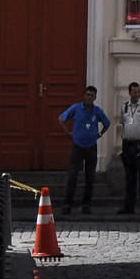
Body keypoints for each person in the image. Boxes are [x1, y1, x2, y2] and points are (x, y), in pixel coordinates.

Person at [59, 85, 111, 216]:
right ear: (84, 96)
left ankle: (86, 204)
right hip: (78, 146)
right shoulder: (76, 108)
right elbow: (61, 118)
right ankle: (67, 204)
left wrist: (100, 134)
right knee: (73, 175)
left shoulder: (97, 111)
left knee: (90, 177)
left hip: (91, 146)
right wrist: (67, 133)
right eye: (87, 95)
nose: (89, 98)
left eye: (92, 96)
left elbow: (107, 123)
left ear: (95, 97)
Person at [116, 81, 140, 215]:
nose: (137, 95)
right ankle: (129, 205)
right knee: (130, 176)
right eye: (134, 92)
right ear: (129, 93)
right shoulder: (124, 107)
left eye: (138, 92)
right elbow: (123, 123)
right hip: (128, 144)